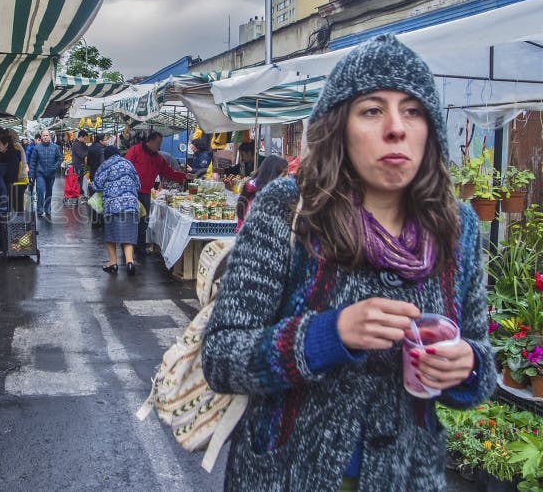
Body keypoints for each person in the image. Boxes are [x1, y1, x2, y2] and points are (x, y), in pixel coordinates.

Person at [202, 34, 495, 491]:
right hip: (285, 475)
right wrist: (328, 335)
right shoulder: (289, 210)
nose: (396, 128)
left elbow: (480, 360)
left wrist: (467, 367)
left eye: (412, 111)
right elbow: (221, 356)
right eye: (372, 110)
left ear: (431, 129)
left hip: (407, 476)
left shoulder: (456, 228)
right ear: (338, 126)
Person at [125, 131, 187, 250]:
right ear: (150, 141)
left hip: (145, 193)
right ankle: (127, 246)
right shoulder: (135, 150)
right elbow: (126, 166)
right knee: (130, 219)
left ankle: (139, 247)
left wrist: (184, 176)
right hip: (131, 192)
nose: (159, 146)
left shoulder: (158, 158)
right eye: (158, 143)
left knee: (143, 221)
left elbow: (169, 172)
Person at [91, 145, 140, 276]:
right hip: (131, 205)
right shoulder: (128, 163)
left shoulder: (105, 165)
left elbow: (96, 185)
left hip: (113, 206)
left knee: (111, 235)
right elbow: (138, 184)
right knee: (128, 235)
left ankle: (112, 264)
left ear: (106, 155)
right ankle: (130, 262)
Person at [234, 154, 288, 232]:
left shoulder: (250, 188)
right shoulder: (266, 197)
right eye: (284, 175)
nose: (287, 178)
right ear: (273, 175)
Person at [29, 129, 63, 218]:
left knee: (49, 191)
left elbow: (59, 158)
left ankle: (47, 208)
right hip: (40, 173)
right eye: (43, 135)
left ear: (49, 136)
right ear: (41, 137)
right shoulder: (37, 148)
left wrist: (55, 167)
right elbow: (33, 162)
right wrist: (31, 175)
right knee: (40, 190)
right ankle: (40, 209)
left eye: (46, 135)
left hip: (51, 174)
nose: (45, 137)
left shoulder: (55, 147)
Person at [7, 129, 28, 213]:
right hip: (22, 178)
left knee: (18, 204)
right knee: (18, 203)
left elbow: (18, 164)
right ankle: (19, 218)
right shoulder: (18, 145)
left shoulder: (16, 147)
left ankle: (19, 219)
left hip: (20, 179)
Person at [71, 130, 90, 198]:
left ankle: (79, 194)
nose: (85, 140)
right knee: (78, 181)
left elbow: (87, 148)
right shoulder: (77, 144)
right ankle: (77, 195)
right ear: (81, 137)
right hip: (78, 165)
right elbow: (81, 154)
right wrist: (89, 152)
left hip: (80, 165)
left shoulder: (81, 143)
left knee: (80, 180)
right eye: (84, 138)